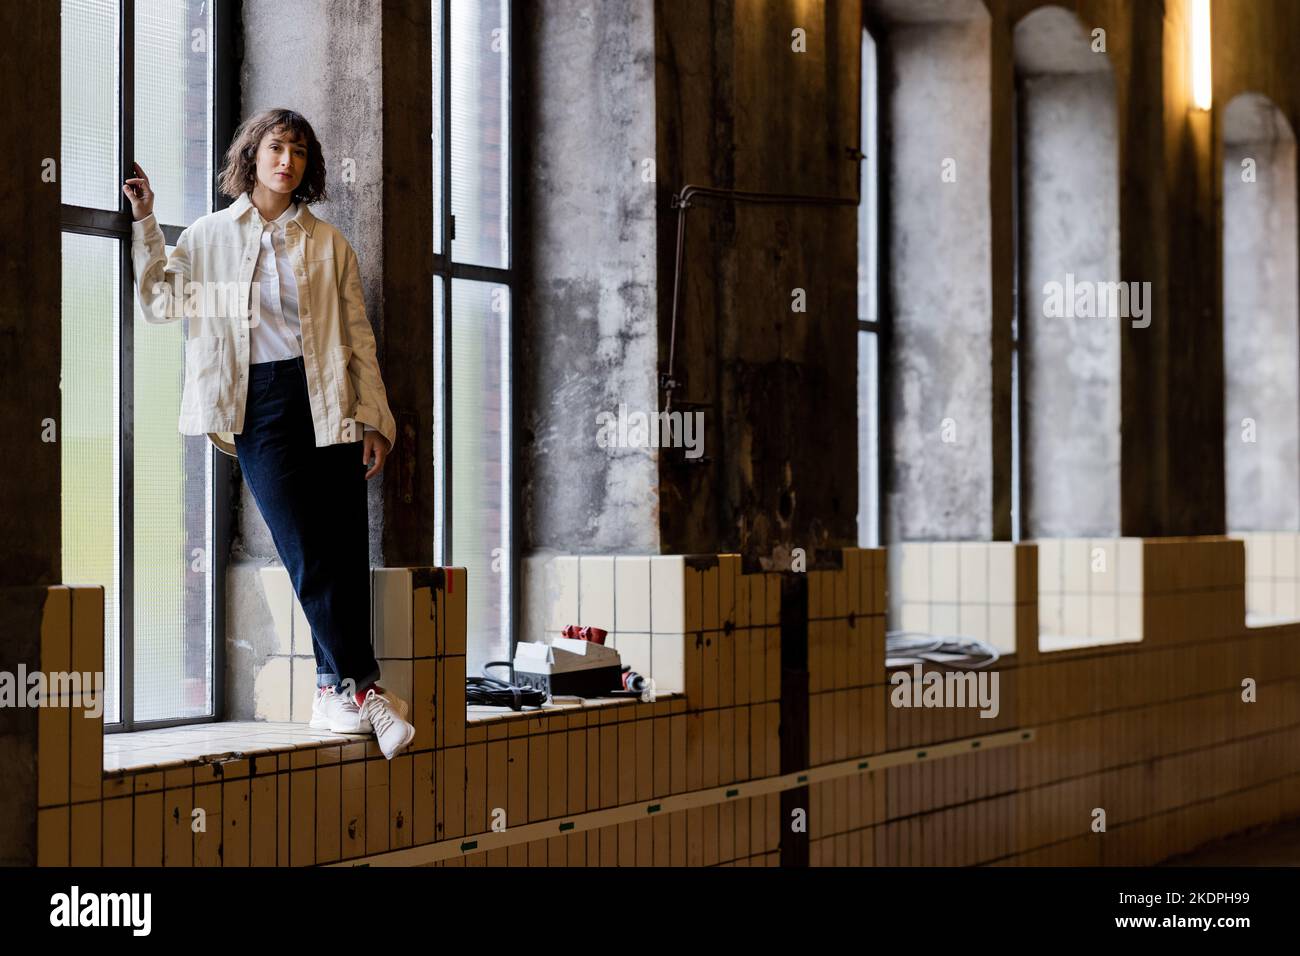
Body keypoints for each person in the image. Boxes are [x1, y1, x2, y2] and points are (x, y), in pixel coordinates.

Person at [123, 107, 416, 759]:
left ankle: (329, 690)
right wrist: (146, 221)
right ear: (251, 156)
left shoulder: (329, 244)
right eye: (277, 148)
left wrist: (376, 419)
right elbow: (161, 303)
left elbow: (358, 338)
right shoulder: (208, 237)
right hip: (259, 405)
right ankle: (367, 689)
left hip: (329, 399)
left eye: (301, 152)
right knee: (304, 548)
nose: (288, 161)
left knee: (341, 550)